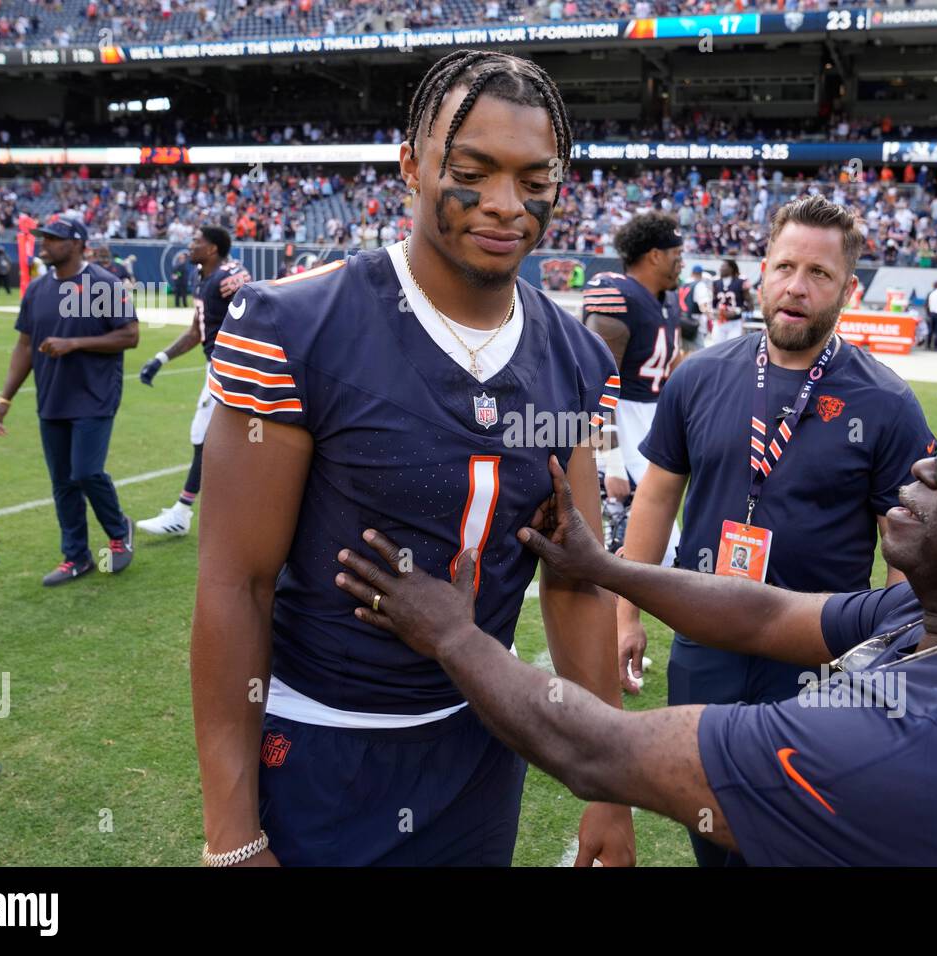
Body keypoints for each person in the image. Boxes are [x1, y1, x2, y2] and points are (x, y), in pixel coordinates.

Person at [334, 341, 937, 866]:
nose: (928, 468)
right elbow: (763, 615)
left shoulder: (919, 747)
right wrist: (610, 570)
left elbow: (593, 746)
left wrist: (450, 631)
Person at [190, 50, 634, 868]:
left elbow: (572, 577)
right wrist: (231, 833)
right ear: (411, 165)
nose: (505, 205)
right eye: (473, 170)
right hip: (324, 745)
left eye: (535, 180)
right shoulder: (297, 325)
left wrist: (607, 789)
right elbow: (235, 583)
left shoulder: (573, 356)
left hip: (481, 742)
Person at [615, 194, 933, 866]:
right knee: (710, 824)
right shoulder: (699, 377)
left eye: (819, 274)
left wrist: (897, 654)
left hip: (818, 660)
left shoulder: (887, 403)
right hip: (706, 644)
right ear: (761, 272)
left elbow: (902, 546)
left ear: (849, 289)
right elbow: (655, 500)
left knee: (801, 834)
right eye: (785, 266)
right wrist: (625, 613)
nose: (796, 286)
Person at [0, 219, 139, 586]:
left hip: (94, 394)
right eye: (43, 238)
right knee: (62, 481)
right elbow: (25, 345)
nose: (44, 244)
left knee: (86, 471)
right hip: (52, 397)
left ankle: (119, 532)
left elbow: (130, 335)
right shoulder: (37, 290)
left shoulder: (103, 284)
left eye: (53, 239)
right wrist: (5, 396)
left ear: (76, 244)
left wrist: (74, 344)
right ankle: (76, 556)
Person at [580, 213, 683, 568]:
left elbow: (671, 370)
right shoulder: (615, 294)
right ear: (655, 255)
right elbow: (596, 384)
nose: (681, 261)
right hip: (622, 424)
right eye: (676, 253)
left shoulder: (667, 301)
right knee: (643, 555)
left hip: (654, 426)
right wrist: (612, 462)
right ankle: (620, 623)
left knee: (671, 555)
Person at [135, 227, 249, 537]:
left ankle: (183, 512)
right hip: (219, 365)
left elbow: (257, 320)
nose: (191, 245)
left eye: (197, 241)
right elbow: (195, 332)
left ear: (212, 249)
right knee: (226, 442)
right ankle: (213, 509)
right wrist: (160, 358)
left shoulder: (228, 277)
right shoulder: (204, 277)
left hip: (231, 369)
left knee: (205, 437)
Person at [710, 259, 750, 345]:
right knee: (717, 348)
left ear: (731, 268)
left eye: (724, 266)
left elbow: (749, 305)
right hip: (720, 322)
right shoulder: (716, 282)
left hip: (735, 322)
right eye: (721, 266)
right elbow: (713, 303)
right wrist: (717, 312)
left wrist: (736, 311)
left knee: (732, 348)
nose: (721, 268)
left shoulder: (741, 281)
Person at [677, 263, 709, 354]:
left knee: (684, 352)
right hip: (694, 323)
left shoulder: (683, 284)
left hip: (682, 321)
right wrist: (709, 315)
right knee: (700, 353)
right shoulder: (699, 285)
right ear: (701, 273)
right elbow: (703, 305)